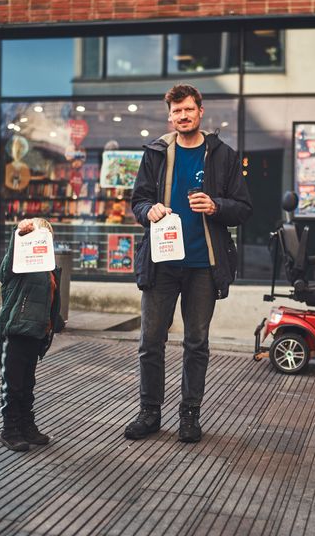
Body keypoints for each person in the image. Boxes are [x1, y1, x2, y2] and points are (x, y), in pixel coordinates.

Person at [124, 83, 252, 443]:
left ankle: (190, 415)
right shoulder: (156, 153)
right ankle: (149, 412)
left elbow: (243, 208)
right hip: (162, 264)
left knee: (196, 343)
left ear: (200, 112)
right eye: (177, 111)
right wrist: (149, 210)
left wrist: (216, 206)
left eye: (189, 109)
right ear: (170, 116)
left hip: (203, 266)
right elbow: (138, 200)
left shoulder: (223, 156)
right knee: (151, 341)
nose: (183, 116)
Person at [0, 217, 64, 452]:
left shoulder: (49, 270)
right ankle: (10, 430)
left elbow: (51, 302)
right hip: (15, 332)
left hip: (36, 334)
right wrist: (19, 236)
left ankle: (26, 425)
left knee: (27, 385)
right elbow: (6, 269)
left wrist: (52, 325)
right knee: (12, 386)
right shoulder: (20, 265)